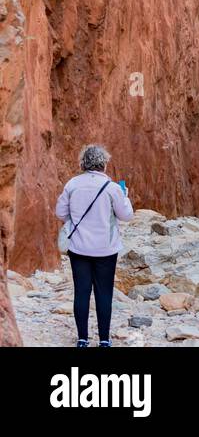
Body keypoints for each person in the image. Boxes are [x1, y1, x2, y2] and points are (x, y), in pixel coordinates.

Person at [55, 143, 134, 348]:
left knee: (81, 292)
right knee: (104, 293)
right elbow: (126, 216)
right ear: (104, 164)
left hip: (79, 248)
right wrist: (125, 197)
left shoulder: (72, 185)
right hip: (106, 250)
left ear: (83, 163)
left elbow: (60, 213)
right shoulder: (113, 188)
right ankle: (104, 340)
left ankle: (82, 339)